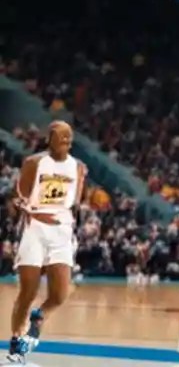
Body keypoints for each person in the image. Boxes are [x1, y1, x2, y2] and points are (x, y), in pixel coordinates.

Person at [7, 121, 86, 365]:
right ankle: (16, 346)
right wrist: (30, 211)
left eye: (69, 136)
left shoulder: (78, 167)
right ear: (49, 138)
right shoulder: (34, 163)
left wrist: (72, 222)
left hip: (61, 232)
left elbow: (75, 202)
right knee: (27, 292)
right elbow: (17, 198)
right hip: (34, 229)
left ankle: (39, 317)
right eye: (61, 136)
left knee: (60, 294)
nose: (66, 140)